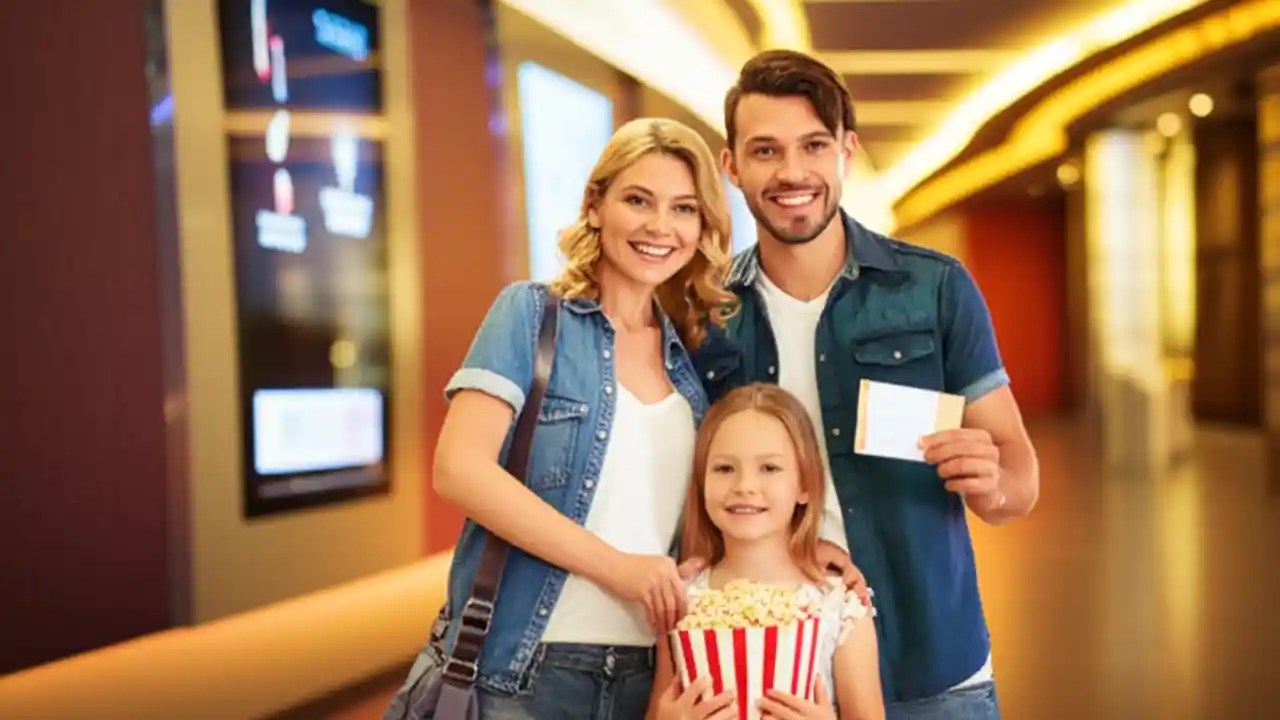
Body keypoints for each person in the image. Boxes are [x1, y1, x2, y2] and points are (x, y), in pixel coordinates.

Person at [692, 50, 1040, 718]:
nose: (793, 172)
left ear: (847, 151)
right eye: (765, 150)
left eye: (814, 145)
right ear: (730, 165)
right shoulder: (704, 313)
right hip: (767, 670)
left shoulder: (935, 289)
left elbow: (1018, 482)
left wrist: (990, 480)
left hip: (931, 668)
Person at [384, 117, 738, 720]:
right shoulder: (530, 315)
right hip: (515, 672)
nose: (660, 226)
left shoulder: (689, 362)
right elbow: (459, 470)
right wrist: (618, 569)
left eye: (683, 209)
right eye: (637, 200)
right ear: (594, 206)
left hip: (642, 679)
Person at [648, 383, 884, 720]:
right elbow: (661, 707)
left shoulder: (839, 606)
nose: (745, 485)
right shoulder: (683, 602)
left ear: (804, 485)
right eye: (724, 468)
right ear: (701, 483)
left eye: (769, 468)